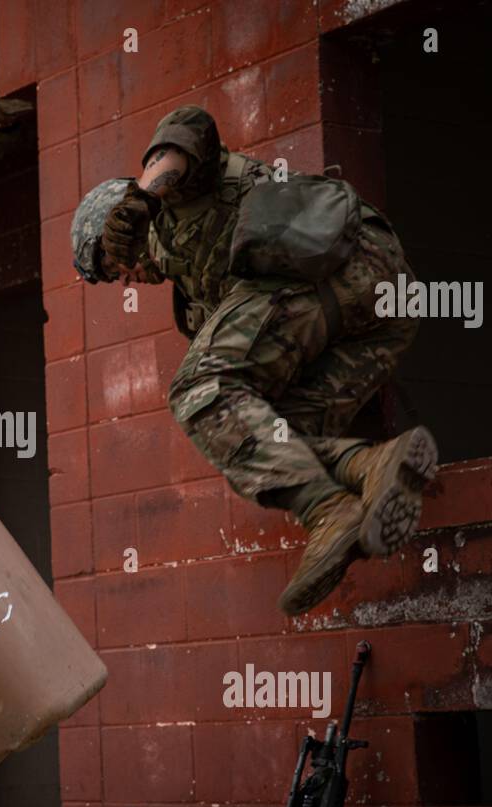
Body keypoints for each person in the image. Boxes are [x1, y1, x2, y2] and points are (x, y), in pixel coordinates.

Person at [71, 106, 437, 616]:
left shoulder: (173, 203)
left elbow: (187, 129)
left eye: (109, 264)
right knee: (269, 432)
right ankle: (371, 465)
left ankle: (328, 510)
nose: (122, 278)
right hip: (381, 310)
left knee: (198, 390)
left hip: (342, 261)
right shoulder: (197, 297)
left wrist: (138, 203)